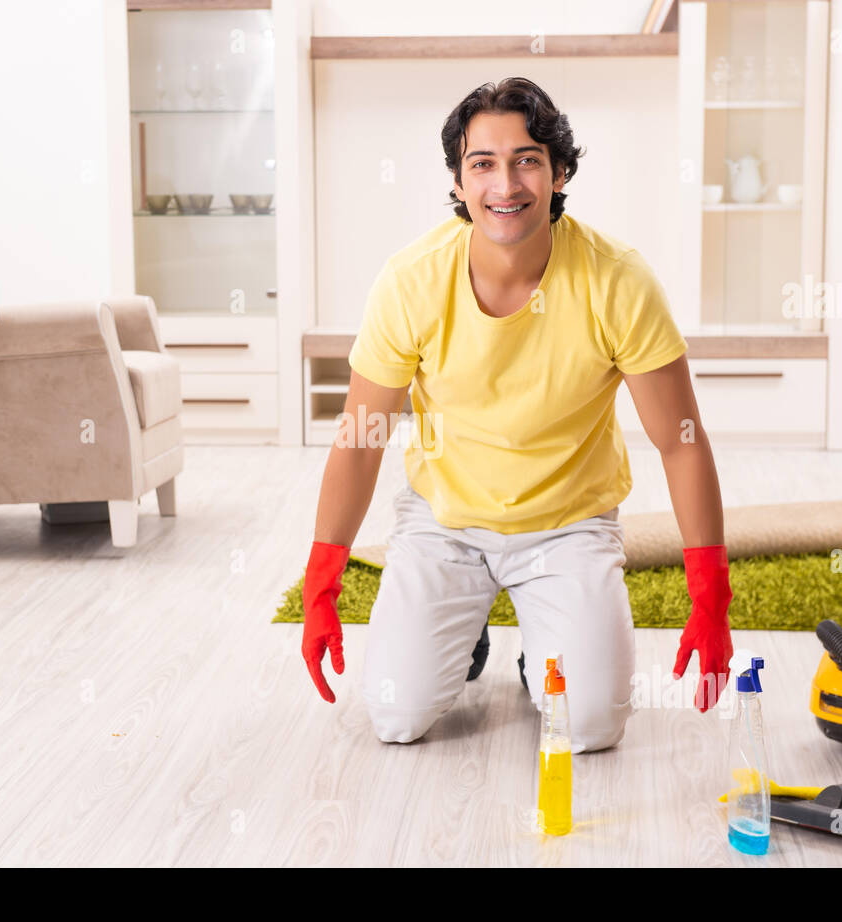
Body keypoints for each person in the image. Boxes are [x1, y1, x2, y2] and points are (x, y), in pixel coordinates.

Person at [301, 77, 733, 753]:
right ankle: (466, 630)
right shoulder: (410, 280)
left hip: (568, 522)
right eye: (484, 164)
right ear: (458, 179)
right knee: (394, 715)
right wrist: (321, 579)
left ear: (560, 172)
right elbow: (361, 438)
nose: (506, 183)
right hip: (446, 518)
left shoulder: (618, 280)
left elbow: (681, 442)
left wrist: (711, 597)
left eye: (528, 159)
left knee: (588, 726)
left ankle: (543, 649)